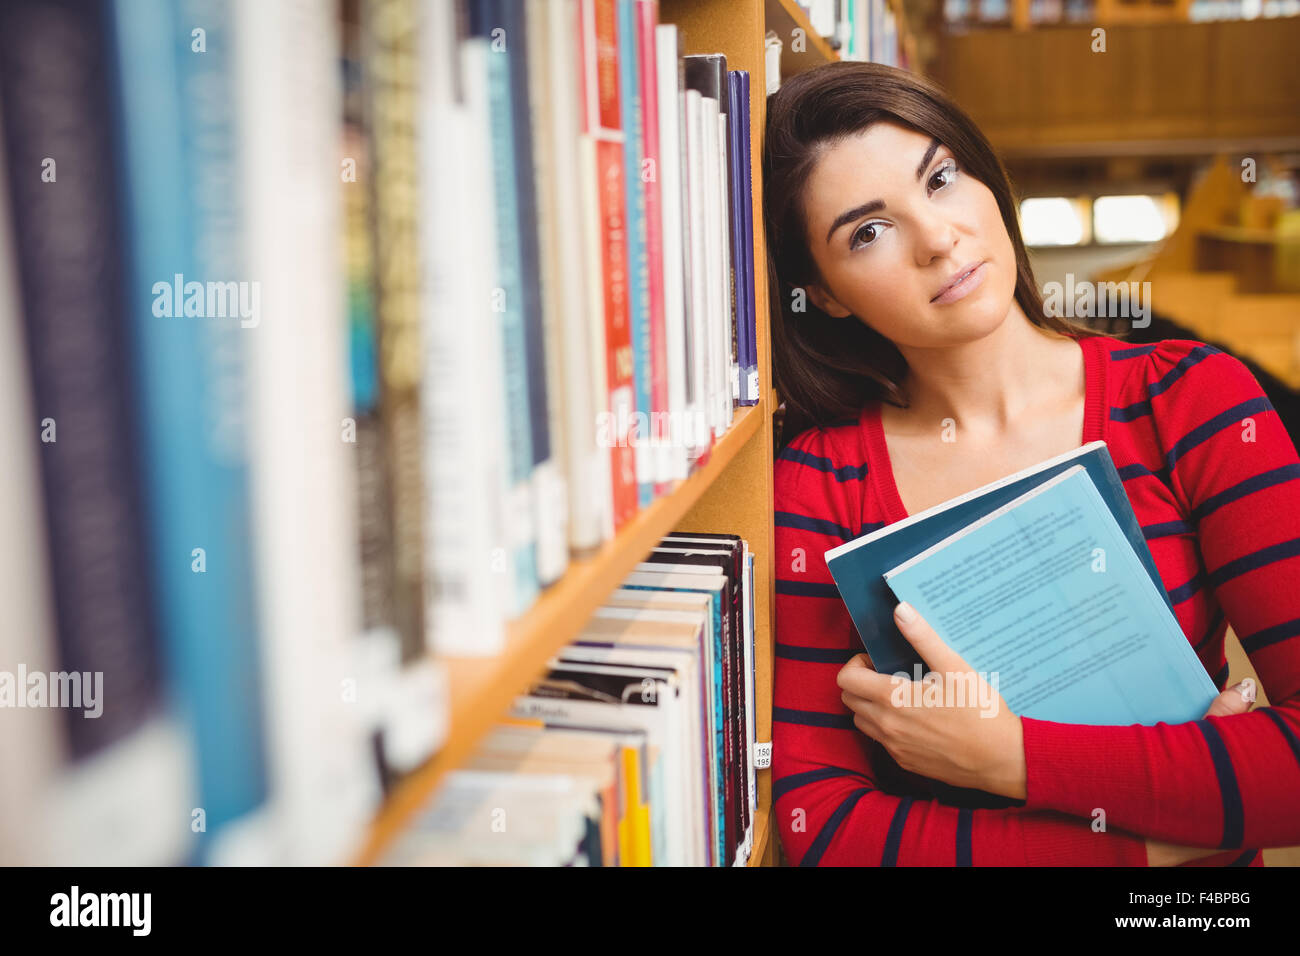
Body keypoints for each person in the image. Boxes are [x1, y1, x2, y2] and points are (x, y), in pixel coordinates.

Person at [765, 61, 1300, 866]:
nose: (939, 239)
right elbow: (821, 825)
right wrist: (1155, 851)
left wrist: (1006, 756)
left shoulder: (1190, 402)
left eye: (941, 178)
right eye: (868, 232)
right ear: (825, 293)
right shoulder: (817, 481)